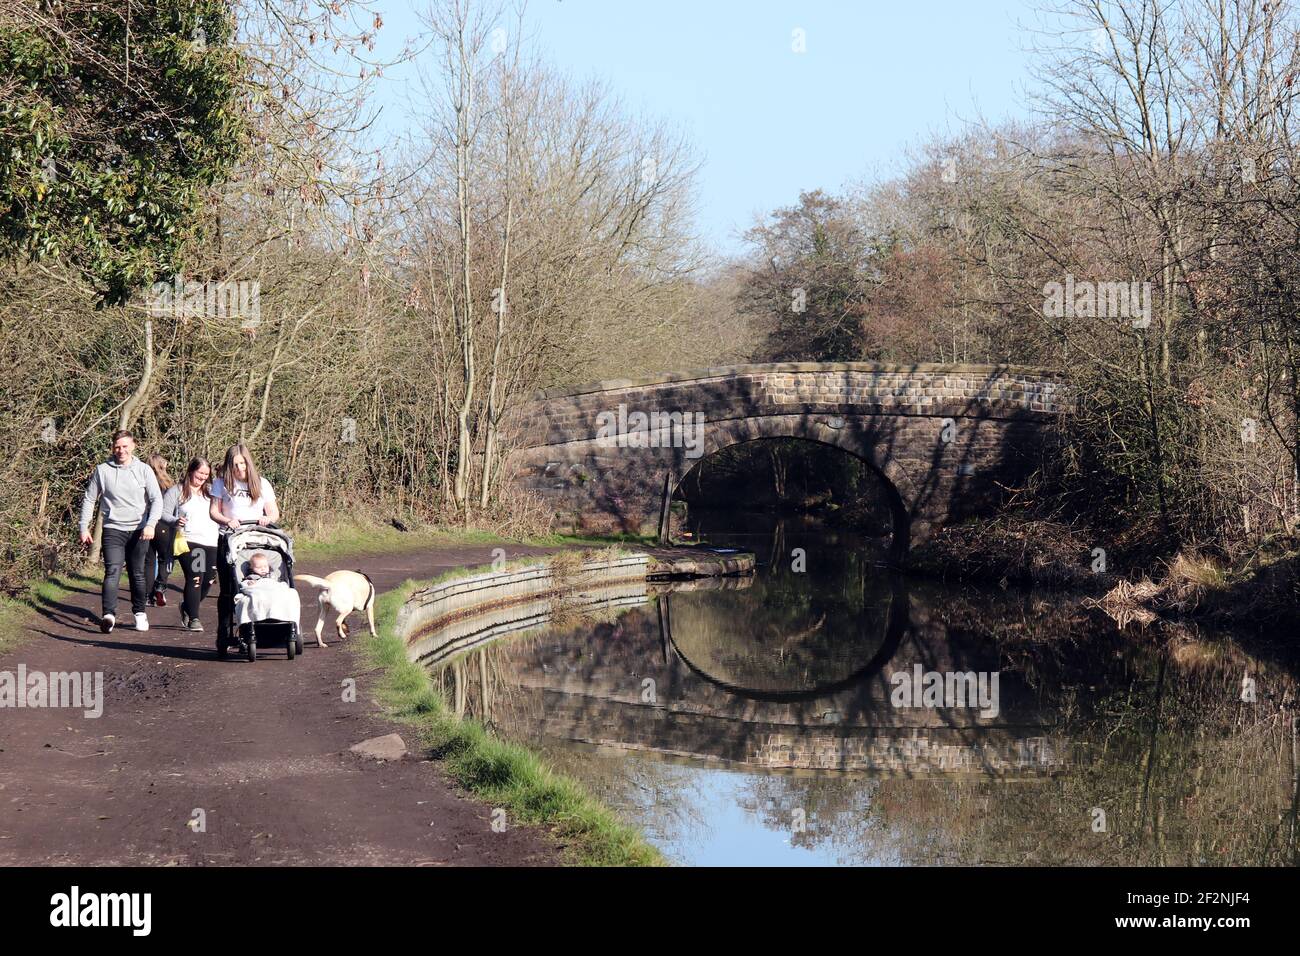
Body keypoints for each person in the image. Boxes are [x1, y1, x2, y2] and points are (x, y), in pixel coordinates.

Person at [79, 430, 162, 633]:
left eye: (125, 446)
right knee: (112, 571)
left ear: (133, 446)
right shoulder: (102, 470)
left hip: (139, 530)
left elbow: (156, 499)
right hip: (113, 528)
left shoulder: (143, 470)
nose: (121, 450)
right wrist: (84, 526)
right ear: (112, 448)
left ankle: (140, 613)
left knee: (137, 573)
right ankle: (108, 615)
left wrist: (151, 524)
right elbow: (90, 499)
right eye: (117, 447)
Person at [210, 443, 280, 646]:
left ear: (248, 463)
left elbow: (274, 512)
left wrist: (267, 518)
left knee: (256, 586)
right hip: (230, 539)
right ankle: (224, 632)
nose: (240, 468)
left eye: (243, 463)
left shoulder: (262, 483)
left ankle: (252, 630)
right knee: (229, 590)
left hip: (255, 540)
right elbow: (214, 511)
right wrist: (226, 520)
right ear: (229, 465)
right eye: (235, 464)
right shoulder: (221, 483)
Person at [160, 457, 219, 631]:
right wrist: (175, 520)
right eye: (200, 473)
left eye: (206, 474)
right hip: (190, 542)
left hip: (212, 542)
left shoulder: (211, 491)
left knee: (208, 580)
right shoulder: (177, 491)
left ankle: (187, 606)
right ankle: (194, 618)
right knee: (196, 577)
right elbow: (163, 513)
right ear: (191, 471)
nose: (202, 477)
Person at [143, 453, 176, 607]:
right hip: (163, 524)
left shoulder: (143, 481)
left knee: (149, 562)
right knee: (166, 558)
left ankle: (147, 596)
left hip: (146, 523)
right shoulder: (168, 484)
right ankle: (160, 585)